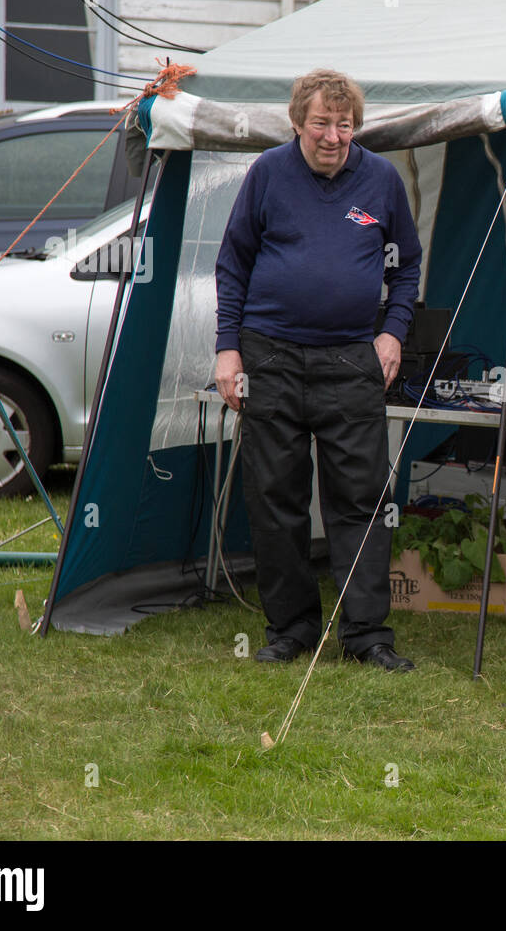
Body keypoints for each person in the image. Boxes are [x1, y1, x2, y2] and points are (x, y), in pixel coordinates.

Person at [214, 69, 420, 671]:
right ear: (298, 123)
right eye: (322, 124)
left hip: (351, 360)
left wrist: (392, 333)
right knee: (275, 497)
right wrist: (229, 349)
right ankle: (291, 628)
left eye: (344, 124)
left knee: (358, 500)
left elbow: (406, 267)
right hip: (269, 356)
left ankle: (366, 635)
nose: (333, 136)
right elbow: (233, 265)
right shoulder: (268, 174)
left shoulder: (381, 179)